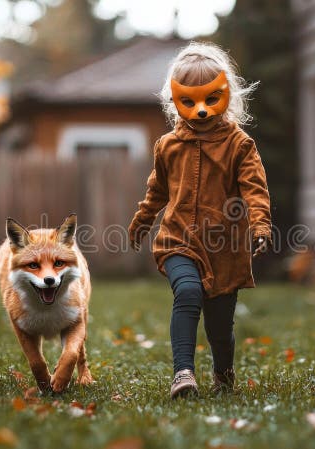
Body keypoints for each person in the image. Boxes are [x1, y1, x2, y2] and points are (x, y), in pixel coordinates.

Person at [128, 42, 272, 399]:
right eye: (190, 101)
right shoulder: (168, 146)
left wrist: (261, 223)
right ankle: (183, 373)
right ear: (174, 99)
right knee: (188, 292)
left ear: (226, 93)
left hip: (223, 248)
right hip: (177, 240)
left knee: (220, 326)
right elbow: (157, 189)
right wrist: (143, 219)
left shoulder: (239, 145)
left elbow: (255, 188)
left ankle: (223, 373)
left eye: (211, 98)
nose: (202, 110)